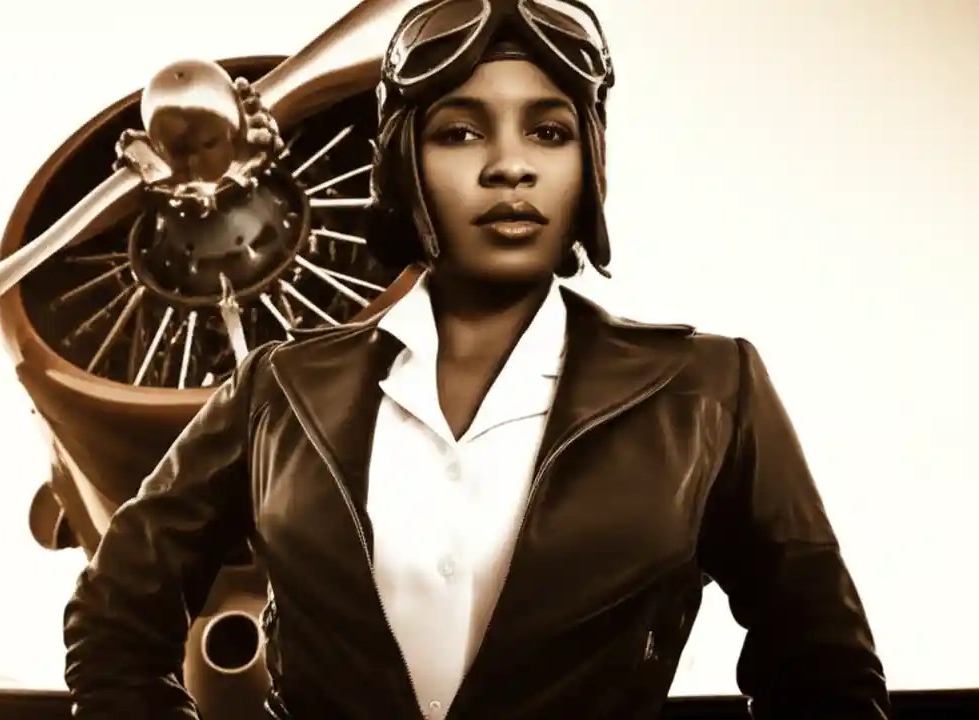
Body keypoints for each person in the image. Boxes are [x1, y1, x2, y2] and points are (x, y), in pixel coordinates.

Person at [63, 1, 892, 717]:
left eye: (550, 131)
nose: (510, 166)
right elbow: (115, 612)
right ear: (403, 165)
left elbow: (822, 664)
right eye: (459, 132)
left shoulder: (711, 390)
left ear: (589, 163)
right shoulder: (274, 390)